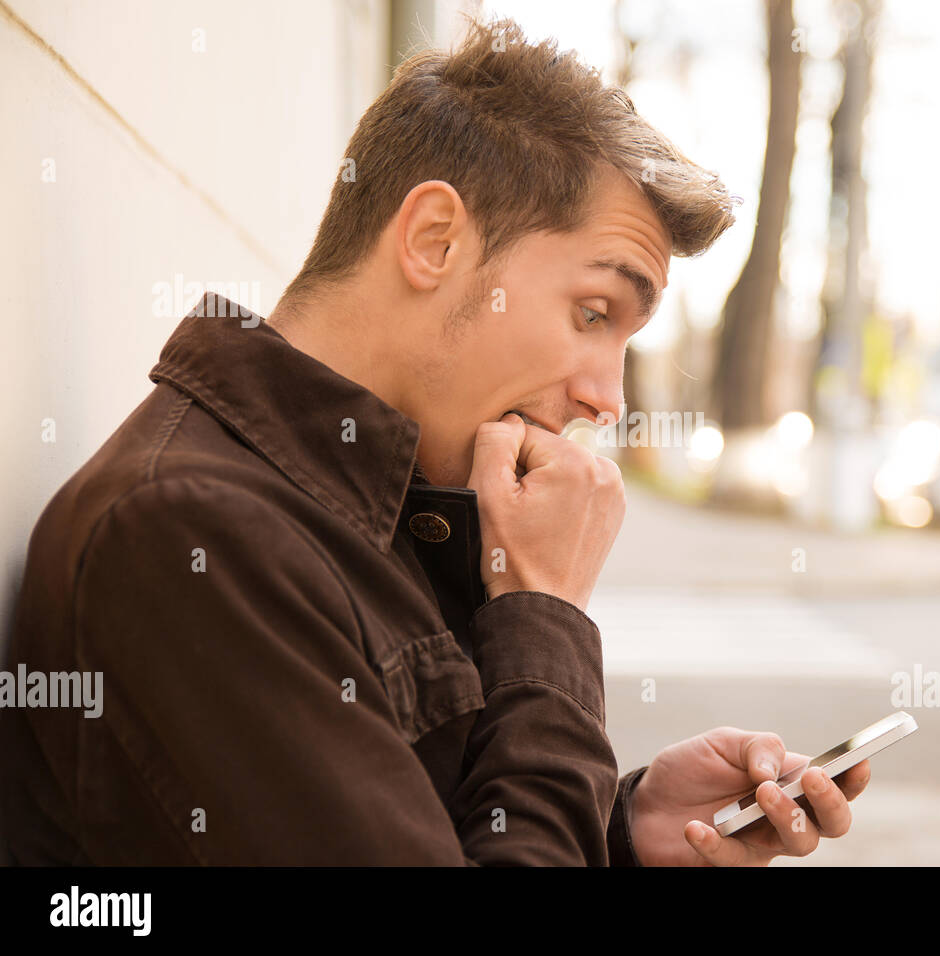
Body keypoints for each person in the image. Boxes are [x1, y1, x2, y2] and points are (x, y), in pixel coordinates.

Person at [0, 16, 869, 866]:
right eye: (592, 312)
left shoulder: (375, 502)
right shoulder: (193, 537)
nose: (606, 397)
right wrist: (546, 620)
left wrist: (619, 830)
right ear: (434, 240)